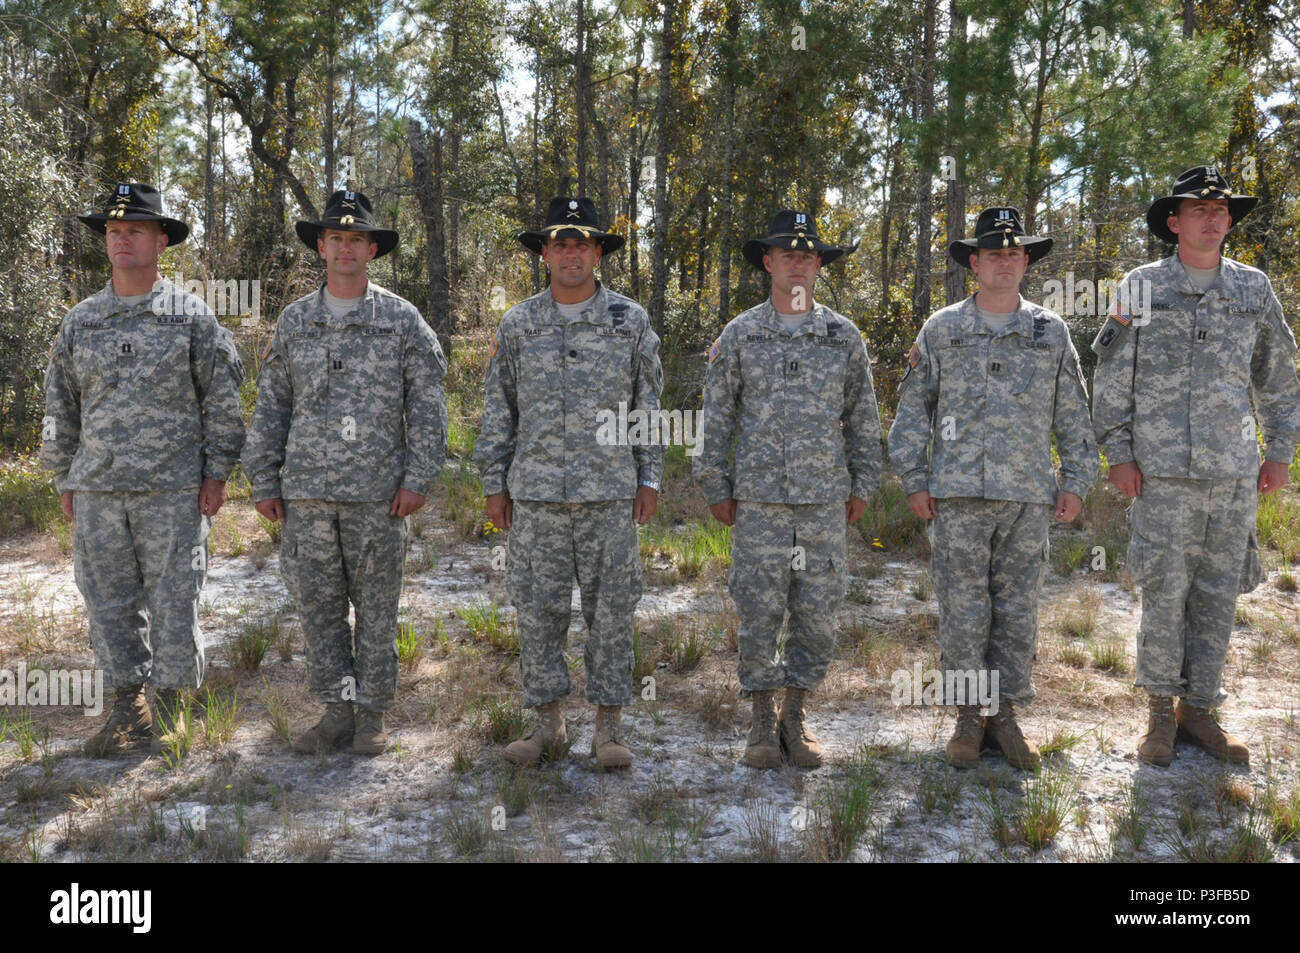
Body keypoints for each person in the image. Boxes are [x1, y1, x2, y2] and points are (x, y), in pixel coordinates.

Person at [1092, 166, 1300, 767]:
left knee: (1216, 596)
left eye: (1220, 209)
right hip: (1159, 473)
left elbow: (1278, 375)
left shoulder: (1254, 288)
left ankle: (1201, 710)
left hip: (1233, 472)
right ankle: (1160, 714)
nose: (1211, 218)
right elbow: (1111, 376)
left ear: (1228, 221)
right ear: (1174, 223)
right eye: (1197, 209)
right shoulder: (1141, 287)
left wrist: (1281, 450)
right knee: (1164, 591)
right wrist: (1120, 453)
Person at [40, 182, 245, 757]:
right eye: (112, 231)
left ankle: (173, 709)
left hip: (173, 487)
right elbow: (60, 406)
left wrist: (217, 474)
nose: (121, 239)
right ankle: (126, 707)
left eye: (133, 229)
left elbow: (222, 400)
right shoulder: (82, 321)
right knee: (106, 600)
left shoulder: (191, 317)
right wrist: (65, 476)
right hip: (99, 488)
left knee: (175, 599)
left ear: (161, 240)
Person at [889, 206, 1098, 770]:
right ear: (974, 262)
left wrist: (1076, 481)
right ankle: (965, 718)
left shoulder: (1049, 332)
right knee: (963, 610)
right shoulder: (942, 329)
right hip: (956, 495)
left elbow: (1073, 413)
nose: (1004, 261)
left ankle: (1004, 718)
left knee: (1016, 611)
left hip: (1028, 497)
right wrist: (913, 478)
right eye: (993, 253)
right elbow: (913, 411)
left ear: (1025, 261)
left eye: (1014, 252)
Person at [242, 190, 447, 756]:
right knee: (319, 608)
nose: (345, 248)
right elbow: (273, 404)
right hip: (306, 494)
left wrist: (418, 478)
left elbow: (428, 405)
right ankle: (336, 710)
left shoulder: (402, 321)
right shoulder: (295, 321)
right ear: (321, 247)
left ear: (372, 249)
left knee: (377, 610)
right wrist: (263, 479)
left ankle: (372, 715)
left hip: (378, 496)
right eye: (335, 238)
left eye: (357, 239)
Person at [474, 196, 662, 770]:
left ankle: (608, 728)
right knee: (538, 609)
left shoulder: (630, 321)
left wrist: (649, 475)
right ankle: (547, 723)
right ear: (545, 254)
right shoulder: (518, 323)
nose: (571, 252)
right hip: (536, 495)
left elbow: (648, 404)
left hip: (609, 492)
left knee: (611, 611)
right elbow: (499, 407)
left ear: (598, 252)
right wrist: (493, 481)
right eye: (559, 243)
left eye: (581, 242)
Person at [695, 210, 883, 769]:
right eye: (788, 254)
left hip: (825, 499)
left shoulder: (843, 337)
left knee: (817, 611)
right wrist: (715, 483)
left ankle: (795, 717)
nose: (798, 263)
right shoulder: (741, 334)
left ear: (819, 265)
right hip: (759, 500)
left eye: (808, 255)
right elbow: (718, 418)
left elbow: (864, 419)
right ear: (769, 263)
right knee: (757, 609)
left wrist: (864, 484)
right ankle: (759, 720)